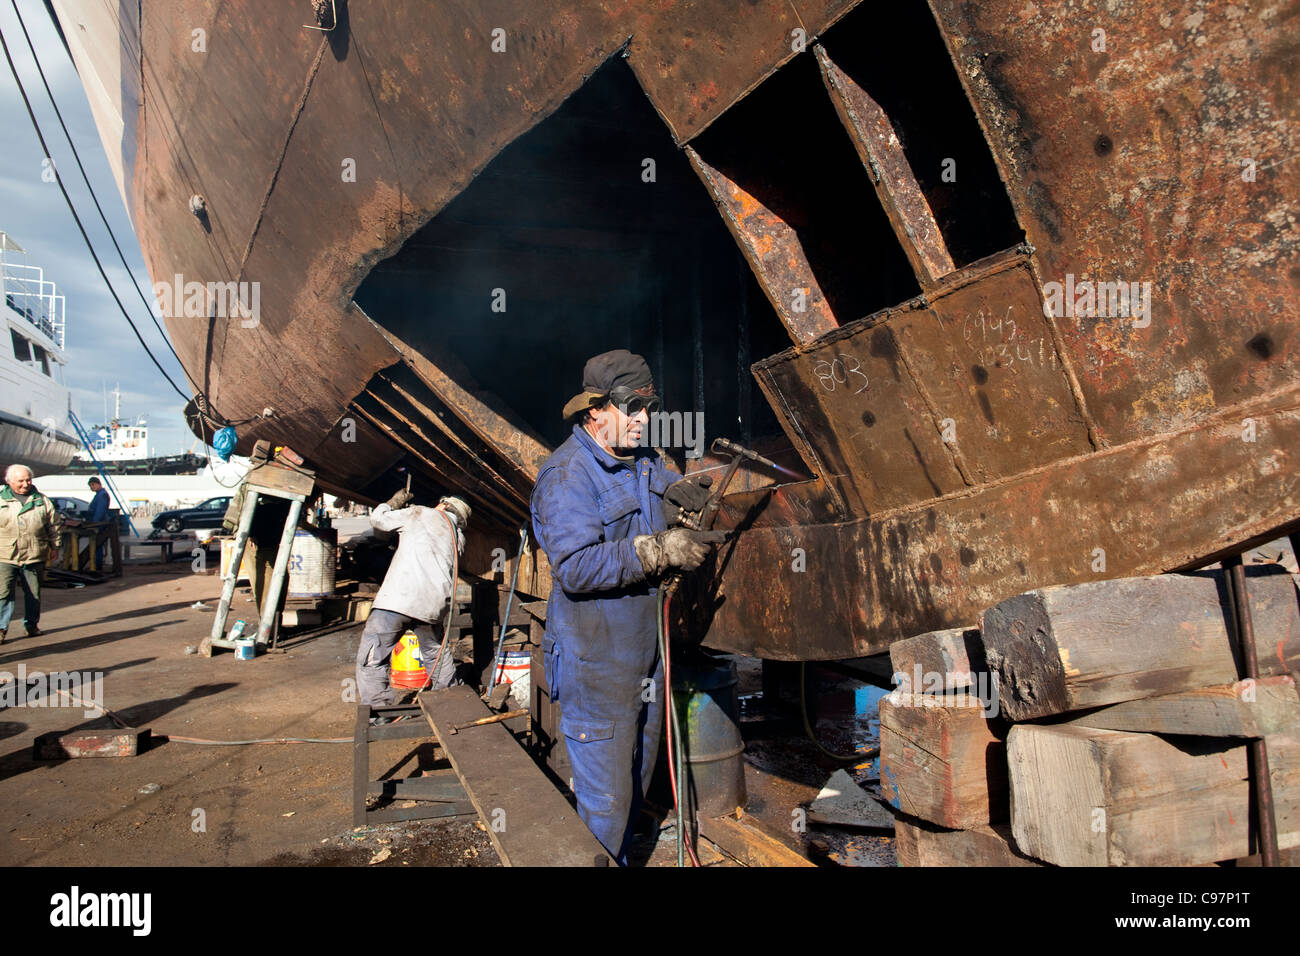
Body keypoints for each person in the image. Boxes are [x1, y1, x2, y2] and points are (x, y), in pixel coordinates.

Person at [530, 349, 724, 863]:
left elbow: (666, 496)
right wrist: (658, 550)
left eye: (648, 407)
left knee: (636, 782)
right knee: (606, 803)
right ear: (596, 411)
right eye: (632, 409)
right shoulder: (568, 475)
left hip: (643, 660)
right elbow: (573, 567)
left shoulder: (643, 462)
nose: (643, 420)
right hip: (596, 664)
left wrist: (687, 494)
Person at [355, 488, 471, 717]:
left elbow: (378, 521)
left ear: (443, 505)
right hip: (432, 607)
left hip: (397, 601)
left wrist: (394, 501)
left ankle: (379, 714)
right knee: (435, 654)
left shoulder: (420, 513)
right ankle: (448, 703)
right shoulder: (459, 538)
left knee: (373, 658)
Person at [0, 463, 64, 643]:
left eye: (28, 480)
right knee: (3, 594)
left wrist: (55, 546)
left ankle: (31, 626)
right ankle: (0, 628)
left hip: (34, 554)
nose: (25, 484)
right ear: (9, 481)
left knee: (33, 593)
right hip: (4, 555)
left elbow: (54, 526)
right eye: (20, 481)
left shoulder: (42, 501)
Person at [86, 477, 111, 568]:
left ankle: (97, 565)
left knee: (97, 544)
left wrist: (94, 524)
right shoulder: (99, 495)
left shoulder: (102, 495)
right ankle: (96, 564)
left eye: (93, 485)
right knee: (97, 544)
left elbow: (99, 511)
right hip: (99, 522)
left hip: (100, 524)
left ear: (98, 484)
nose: (91, 487)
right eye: (90, 486)